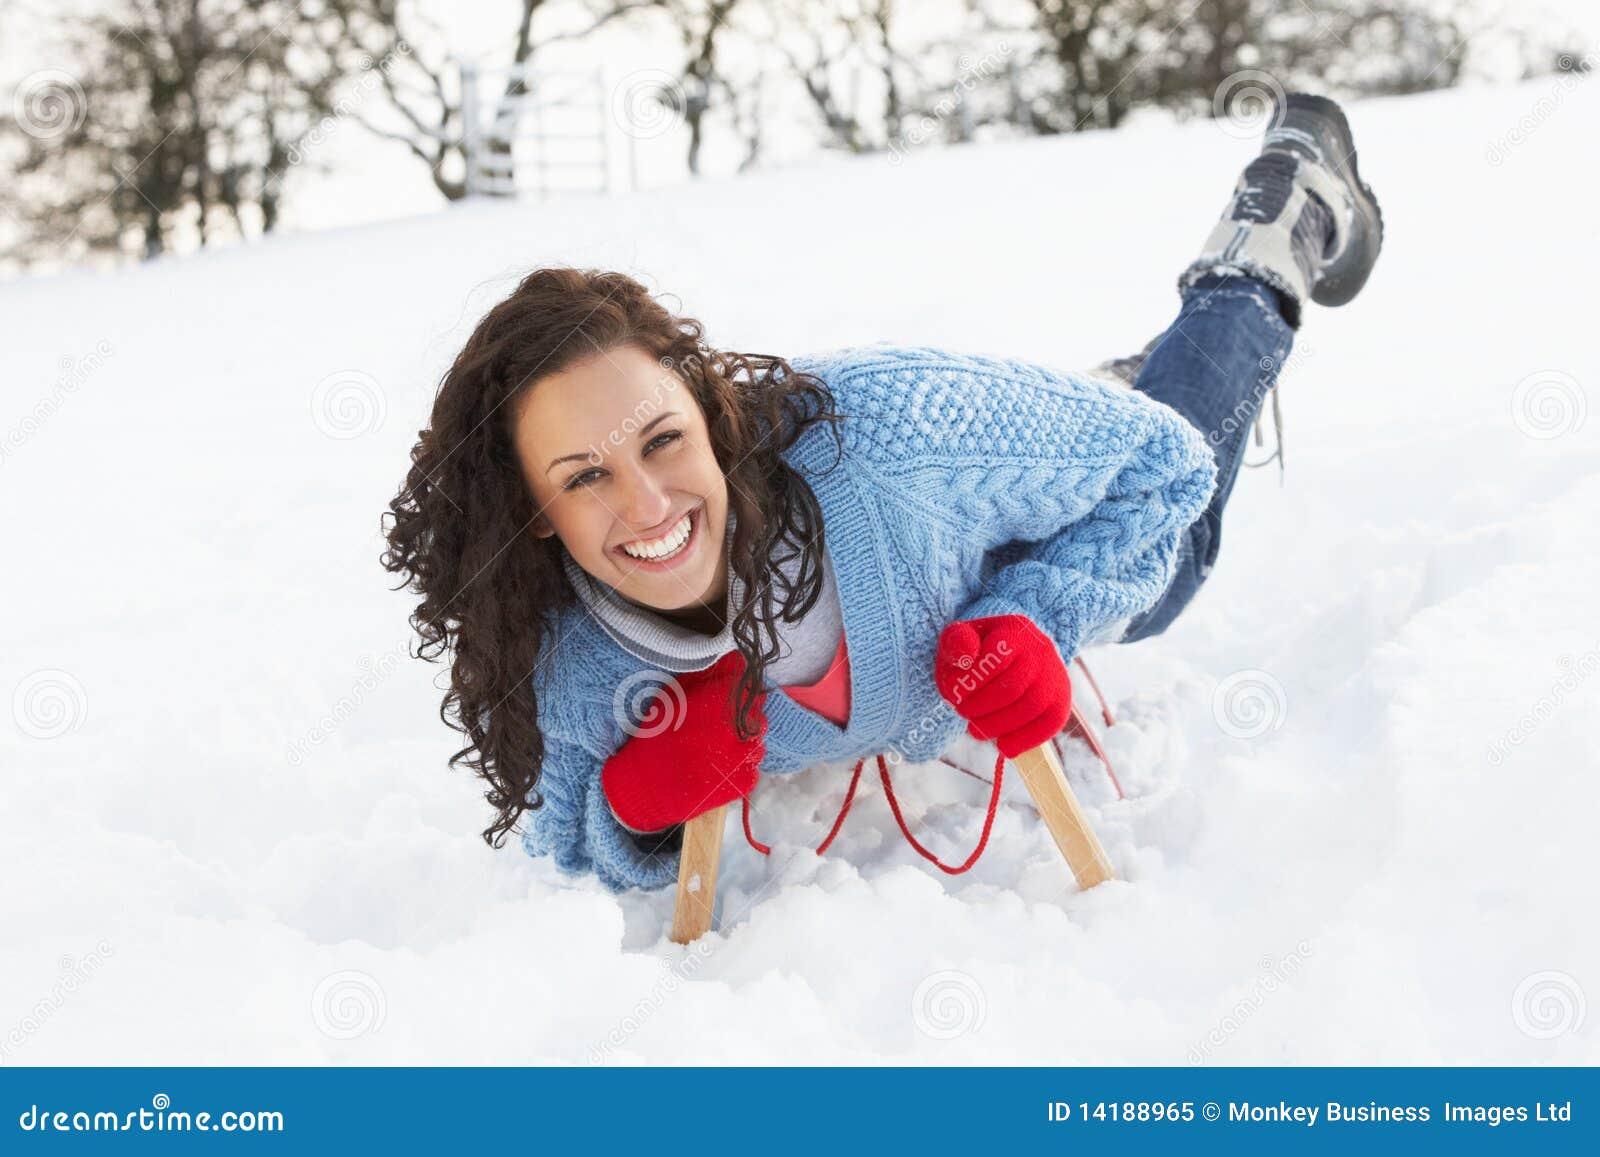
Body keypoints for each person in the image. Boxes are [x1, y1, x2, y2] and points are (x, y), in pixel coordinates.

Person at [381, 92, 1383, 894]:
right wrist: (639, 802)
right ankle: (1093, 400)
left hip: (1019, 505)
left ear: (711, 409)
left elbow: (1162, 473)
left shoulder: (894, 430)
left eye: (662, 439)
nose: (647, 505)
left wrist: (1032, 616)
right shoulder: (573, 663)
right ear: (527, 510)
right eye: (585, 475)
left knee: (1172, 541)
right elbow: (567, 843)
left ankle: (1274, 228)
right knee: (1094, 428)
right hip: (1009, 462)